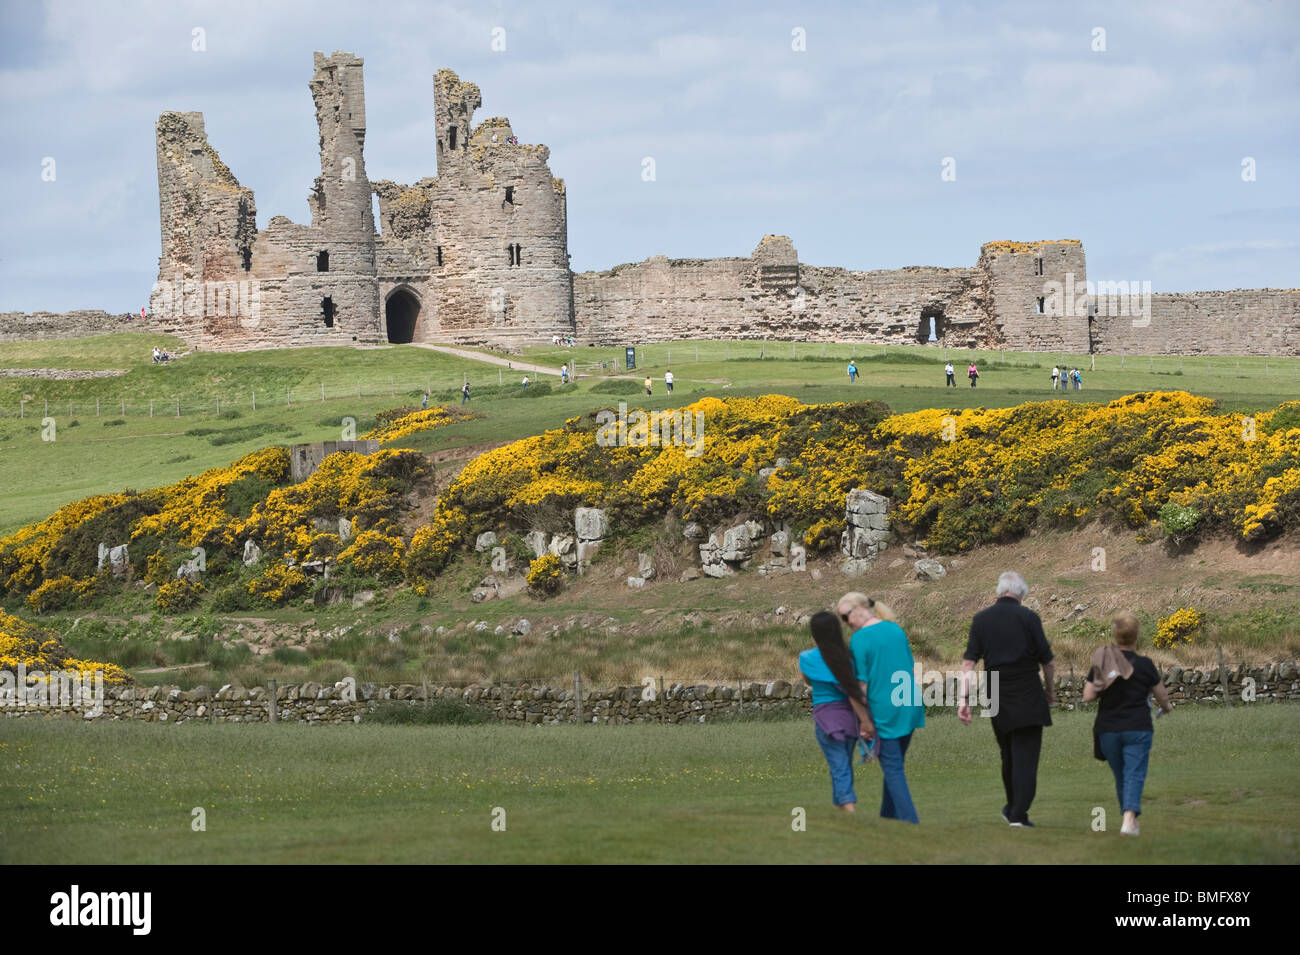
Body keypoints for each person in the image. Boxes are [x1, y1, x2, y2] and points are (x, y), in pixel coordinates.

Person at [959, 571, 1055, 827]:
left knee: (1008, 753)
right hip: (1026, 691)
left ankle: (1012, 807)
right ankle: (1018, 814)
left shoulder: (981, 620)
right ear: (1022, 593)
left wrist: (963, 700)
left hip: (995, 692)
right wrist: (1050, 690)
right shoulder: (1029, 618)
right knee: (1026, 756)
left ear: (999, 591)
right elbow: (1048, 661)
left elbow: (968, 663)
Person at [837, 592, 925, 823]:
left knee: (893, 769)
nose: (845, 624)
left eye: (845, 617)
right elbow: (909, 667)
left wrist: (864, 721)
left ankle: (910, 823)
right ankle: (887, 818)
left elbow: (861, 686)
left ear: (859, 609)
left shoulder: (859, 639)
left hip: (885, 710)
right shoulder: (895, 629)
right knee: (895, 765)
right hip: (909, 704)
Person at [1083, 613, 1172, 836]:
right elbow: (1162, 696)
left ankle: (1129, 819)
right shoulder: (1145, 665)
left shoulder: (1104, 663)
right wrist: (1167, 707)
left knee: (1121, 775)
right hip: (1137, 727)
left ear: (1115, 635)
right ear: (1136, 635)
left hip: (1108, 729)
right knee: (1134, 773)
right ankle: (1129, 819)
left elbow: (1088, 695)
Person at [799, 612, 874, 813]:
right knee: (842, 766)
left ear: (815, 634)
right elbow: (854, 692)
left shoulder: (807, 658)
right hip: (850, 720)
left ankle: (849, 810)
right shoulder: (849, 659)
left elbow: (808, 681)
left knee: (839, 767)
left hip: (826, 720)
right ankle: (838, 810)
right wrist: (865, 721)